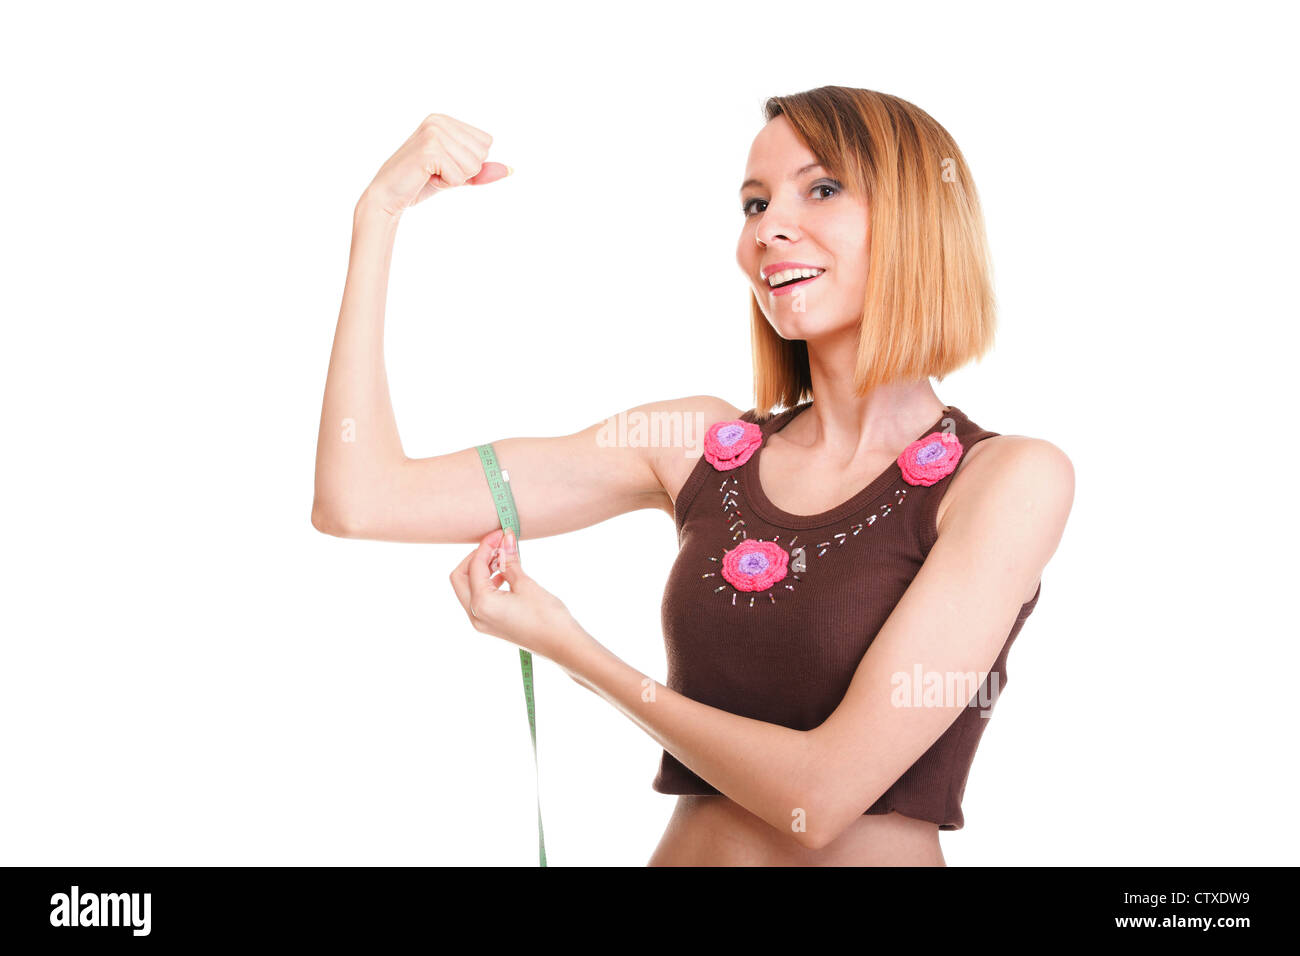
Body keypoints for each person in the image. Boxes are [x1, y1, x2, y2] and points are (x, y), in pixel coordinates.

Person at [312, 87, 1074, 866]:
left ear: (920, 218)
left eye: (822, 188)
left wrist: (573, 650)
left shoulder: (1007, 480)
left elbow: (820, 797)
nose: (769, 229)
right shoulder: (699, 447)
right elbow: (360, 498)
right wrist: (377, 216)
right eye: (753, 203)